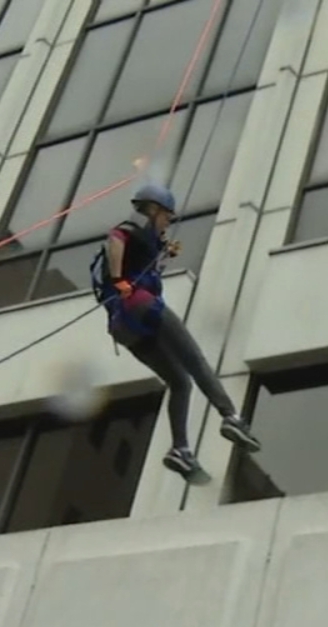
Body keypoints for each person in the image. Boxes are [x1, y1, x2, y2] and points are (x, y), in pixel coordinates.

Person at [91, 184, 260, 484]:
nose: (168, 221)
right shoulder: (132, 227)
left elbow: (139, 253)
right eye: (167, 216)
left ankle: (180, 449)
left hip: (124, 327)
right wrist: (118, 279)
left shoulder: (146, 239)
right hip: (139, 305)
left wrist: (162, 251)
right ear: (153, 210)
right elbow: (115, 241)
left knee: (180, 382)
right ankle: (230, 416)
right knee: (194, 359)